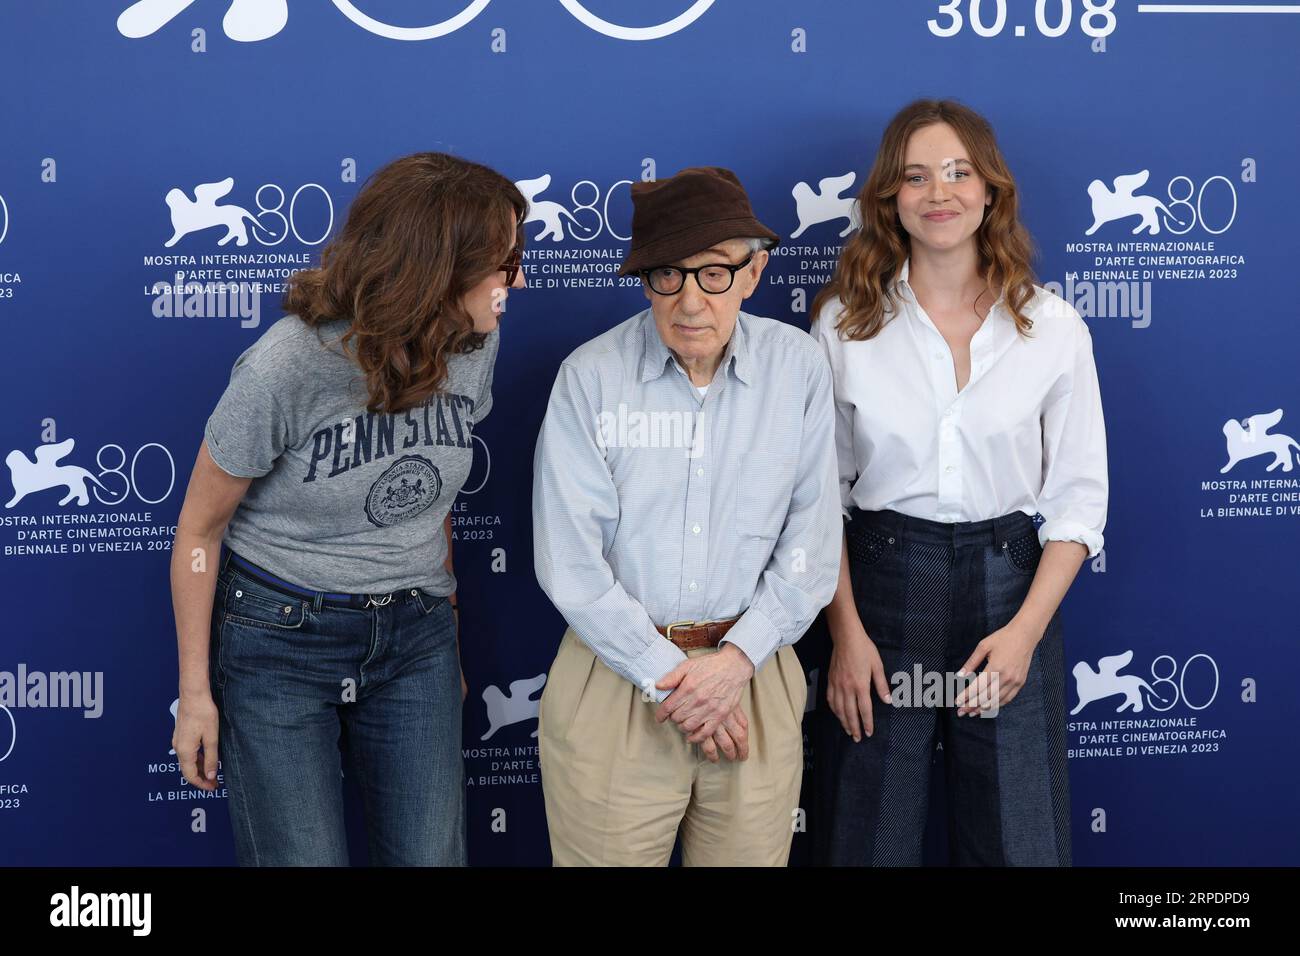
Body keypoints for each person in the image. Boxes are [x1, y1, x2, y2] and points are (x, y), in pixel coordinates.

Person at [169, 152, 527, 866]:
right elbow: (200, 531)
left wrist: (445, 623)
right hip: (280, 638)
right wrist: (195, 693)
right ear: (437, 269)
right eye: (504, 264)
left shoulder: (476, 343)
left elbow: (430, 493)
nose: (518, 280)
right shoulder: (289, 364)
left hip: (415, 637)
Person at [811, 100, 1108, 866]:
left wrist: (1025, 636)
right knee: (867, 840)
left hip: (1008, 596)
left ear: (990, 191)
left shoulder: (1053, 329)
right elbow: (819, 499)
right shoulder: (846, 324)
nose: (937, 193)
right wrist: (845, 636)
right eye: (915, 176)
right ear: (889, 198)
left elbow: (1079, 501)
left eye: (957, 172)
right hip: (881, 593)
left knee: (1021, 843)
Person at [532, 166, 841, 866]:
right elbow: (569, 561)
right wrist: (672, 676)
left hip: (753, 678)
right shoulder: (591, 376)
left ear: (754, 272)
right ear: (645, 282)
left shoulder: (798, 369)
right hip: (615, 680)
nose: (690, 301)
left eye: (713, 274)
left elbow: (813, 544)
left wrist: (733, 664)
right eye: (667, 276)